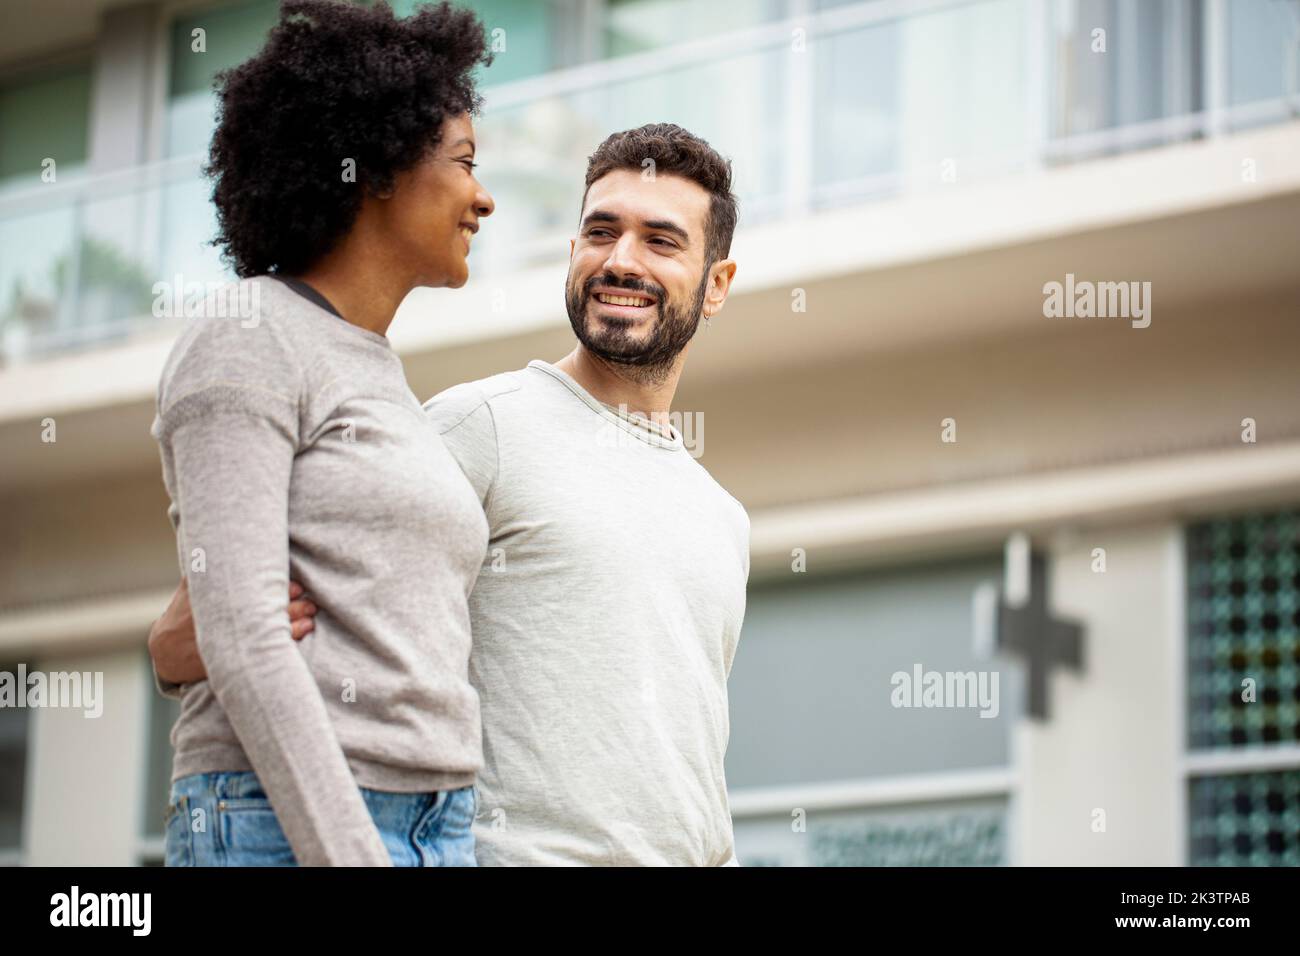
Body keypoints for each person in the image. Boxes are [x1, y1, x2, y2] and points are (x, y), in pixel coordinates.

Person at [152, 123, 749, 866]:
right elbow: (301, 595)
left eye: (661, 241)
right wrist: (179, 645)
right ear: (572, 254)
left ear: (717, 283)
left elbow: (685, 764)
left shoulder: (724, 518)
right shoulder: (480, 426)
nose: (621, 260)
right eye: (601, 231)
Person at [151, 0, 496, 867]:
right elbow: (242, 638)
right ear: (376, 170)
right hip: (283, 821)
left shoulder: (378, 370)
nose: (482, 198)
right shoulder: (249, 331)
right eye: (463, 163)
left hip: (436, 823)